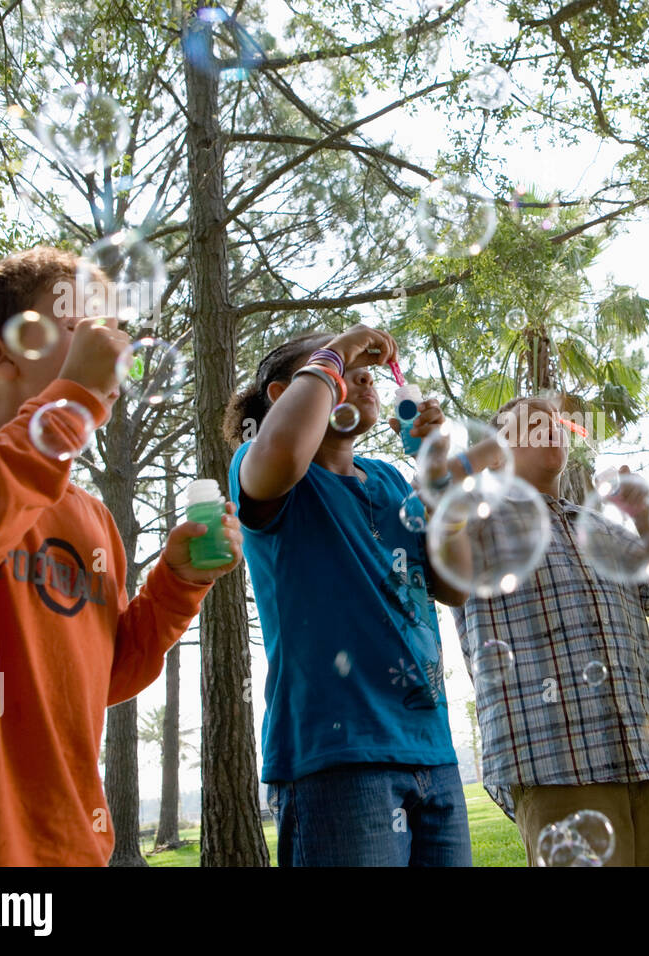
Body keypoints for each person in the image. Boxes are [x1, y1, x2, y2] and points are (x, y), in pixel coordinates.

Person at [0, 247, 243, 865]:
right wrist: (75, 400)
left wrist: (176, 585)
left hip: (66, 844)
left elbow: (106, 676)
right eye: (81, 324)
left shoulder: (89, 516)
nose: (112, 343)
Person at [224, 327, 472, 867]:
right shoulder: (266, 465)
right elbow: (285, 450)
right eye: (342, 366)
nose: (363, 372)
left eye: (367, 368)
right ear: (282, 395)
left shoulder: (392, 482)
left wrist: (435, 477)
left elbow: (456, 584)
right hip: (336, 756)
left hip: (431, 750)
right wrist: (341, 347)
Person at [451, 395, 649, 866]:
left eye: (554, 423)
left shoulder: (601, 530)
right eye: (528, 424)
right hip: (554, 760)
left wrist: (644, 517)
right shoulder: (475, 522)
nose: (548, 428)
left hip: (645, 756)